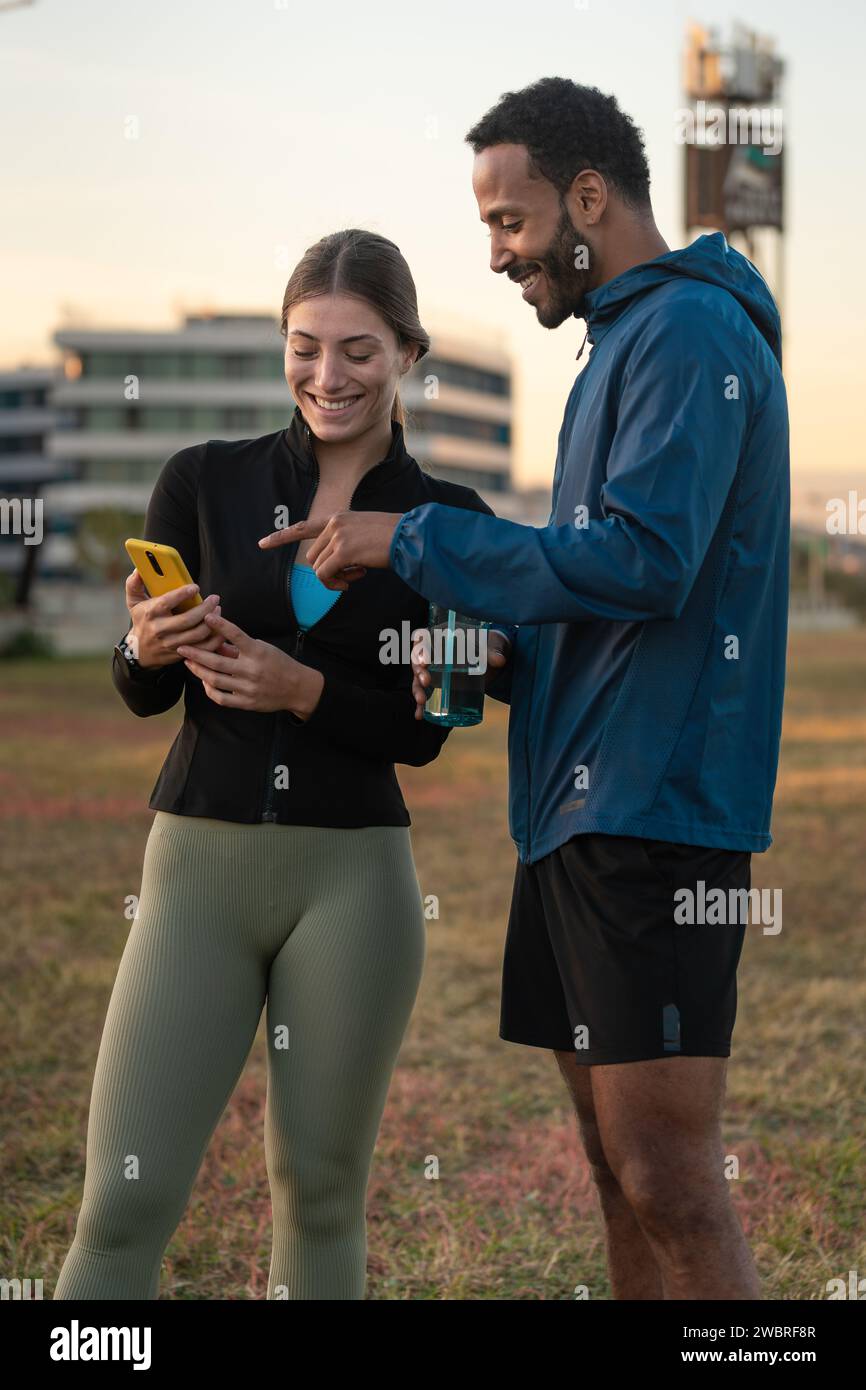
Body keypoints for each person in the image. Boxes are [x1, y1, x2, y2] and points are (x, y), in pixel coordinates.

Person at [265, 79, 790, 1300]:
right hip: (570, 810)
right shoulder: (622, 343)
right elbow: (606, 593)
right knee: (614, 1168)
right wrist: (504, 659)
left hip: (654, 814)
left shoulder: (688, 336)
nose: (497, 254)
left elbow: (647, 559)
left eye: (508, 222)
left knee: (666, 1175)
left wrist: (412, 542)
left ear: (587, 199)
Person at [53, 227, 511, 1301]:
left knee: (317, 1196)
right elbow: (142, 686)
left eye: (357, 350)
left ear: (407, 351)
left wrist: (300, 688)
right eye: (304, 347)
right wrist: (142, 644)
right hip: (194, 878)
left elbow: (428, 730)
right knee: (122, 1204)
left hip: (354, 882)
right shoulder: (203, 483)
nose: (327, 375)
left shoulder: (452, 523)